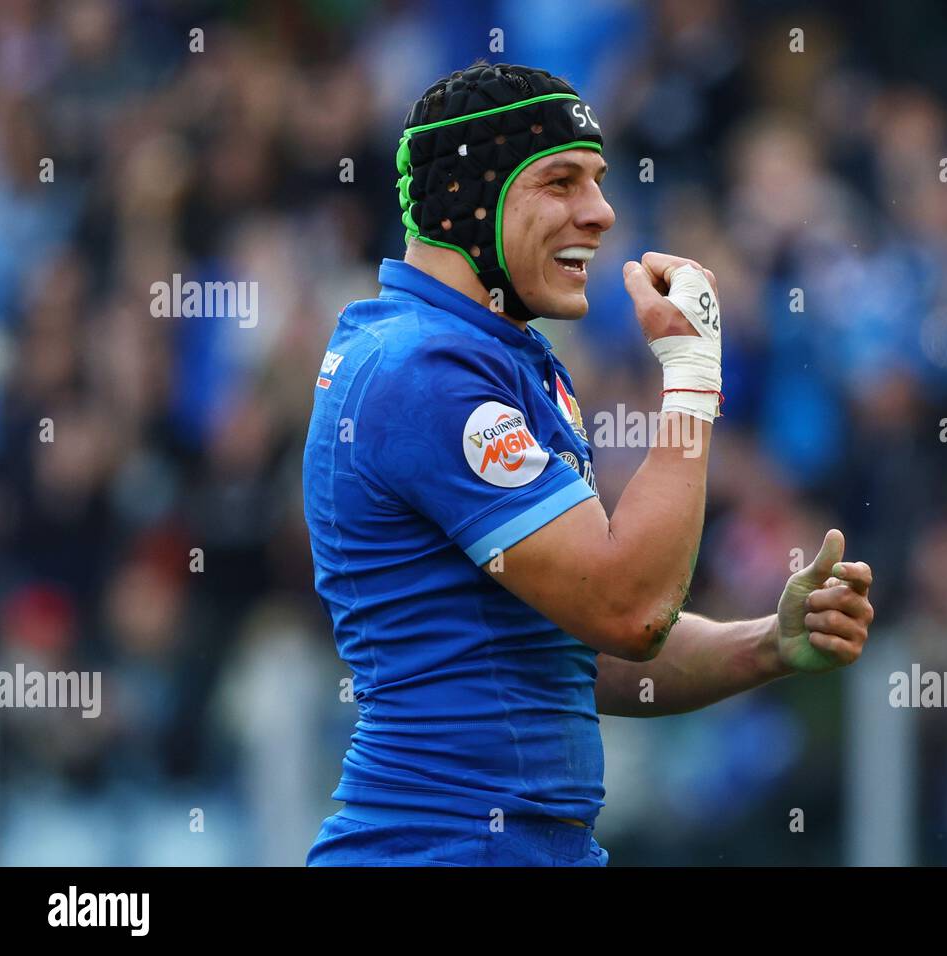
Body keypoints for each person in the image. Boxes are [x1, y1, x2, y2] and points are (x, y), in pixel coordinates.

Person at [301, 60, 874, 866]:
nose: (601, 213)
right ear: (469, 199)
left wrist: (764, 644)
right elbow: (628, 609)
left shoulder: (493, 356)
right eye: (561, 182)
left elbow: (573, 648)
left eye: (599, 181)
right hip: (442, 849)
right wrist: (692, 377)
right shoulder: (424, 371)